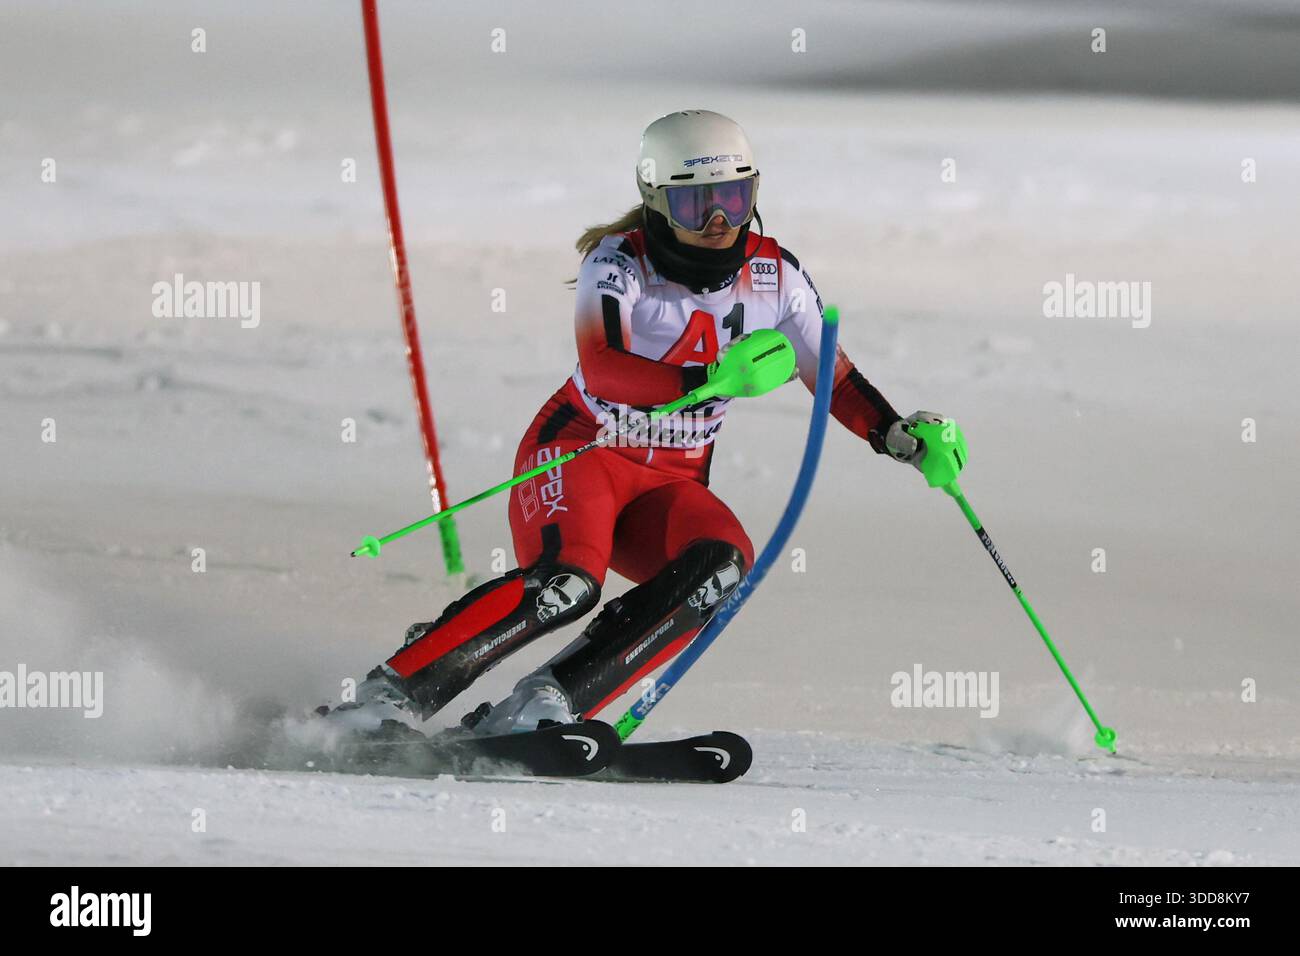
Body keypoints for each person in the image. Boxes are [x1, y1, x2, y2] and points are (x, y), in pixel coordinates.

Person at [341, 109, 947, 736]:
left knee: (721, 565)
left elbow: (835, 378)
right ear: (656, 202)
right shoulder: (618, 264)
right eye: (695, 208)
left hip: (670, 481)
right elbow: (602, 368)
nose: (719, 223)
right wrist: (705, 381)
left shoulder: (777, 276)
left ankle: (546, 703)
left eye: (734, 201)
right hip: (582, 452)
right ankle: (392, 692)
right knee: (566, 585)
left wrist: (897, 435)